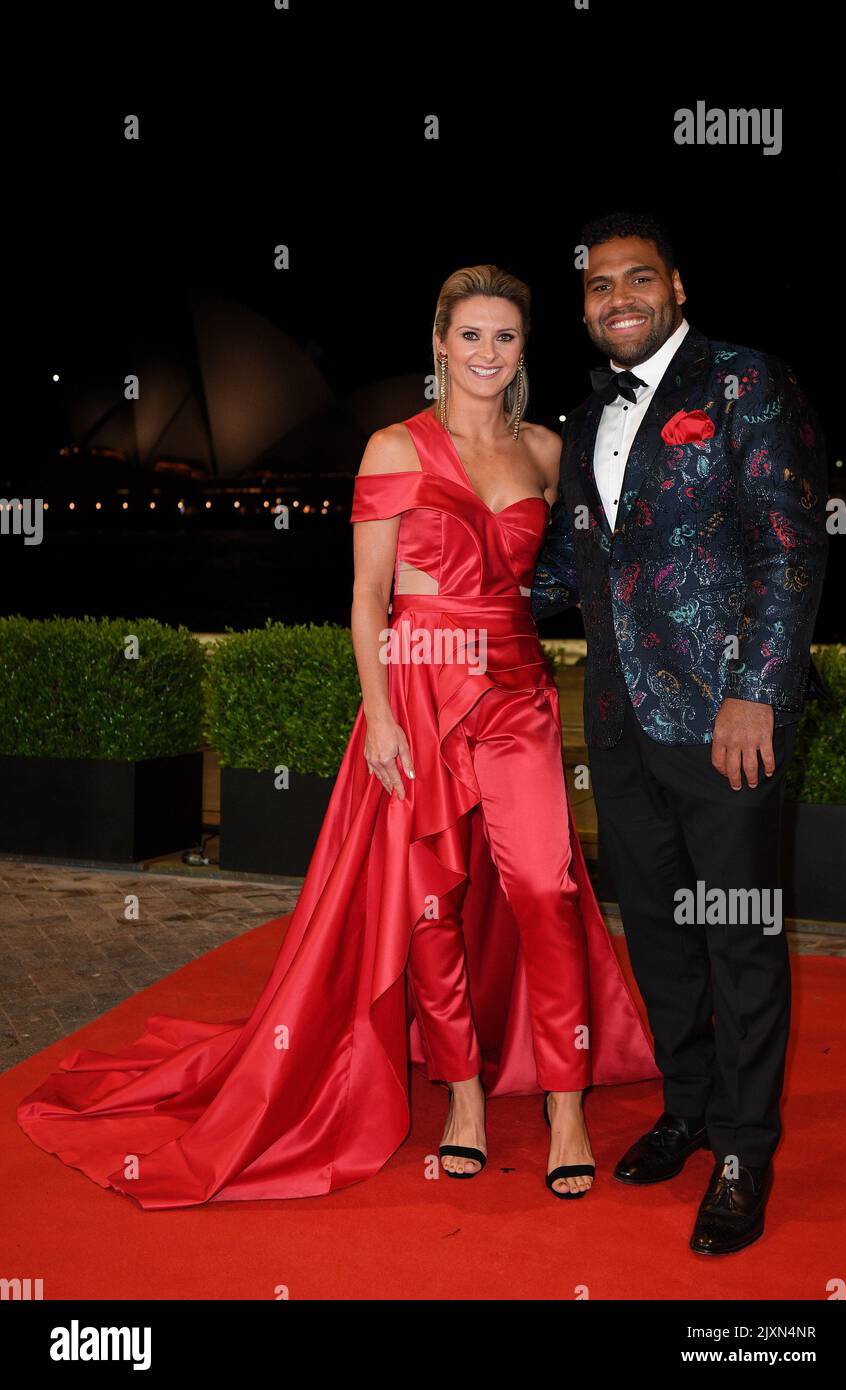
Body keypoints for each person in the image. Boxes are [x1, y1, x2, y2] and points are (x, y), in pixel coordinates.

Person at [17, 264, 658, 1209]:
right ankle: (466, 1099)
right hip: (418, 694)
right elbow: (365, 599)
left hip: (518, 694)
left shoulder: (547, 451)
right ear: (440, 343)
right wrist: (384, 718)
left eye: (505, 337)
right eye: (470, 336)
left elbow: (573, 575)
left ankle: (567, 1106)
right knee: (430, 903)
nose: (487, 353)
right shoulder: (393, 446)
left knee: (547, 890)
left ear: (526, 349)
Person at [531, 213, 828, 1250]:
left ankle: (744, 1150)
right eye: (597, 285)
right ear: (582, 307)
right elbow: (573, 570)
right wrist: (460, 600)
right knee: (656, 930)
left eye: (634, 279)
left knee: (739, 937)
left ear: (674, 287)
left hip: (722, 726)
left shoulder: (744, 383)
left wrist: (753, 688)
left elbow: (788, 546)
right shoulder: (579, 420)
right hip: (617, 723)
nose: (616, 297)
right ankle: (688, 1106)